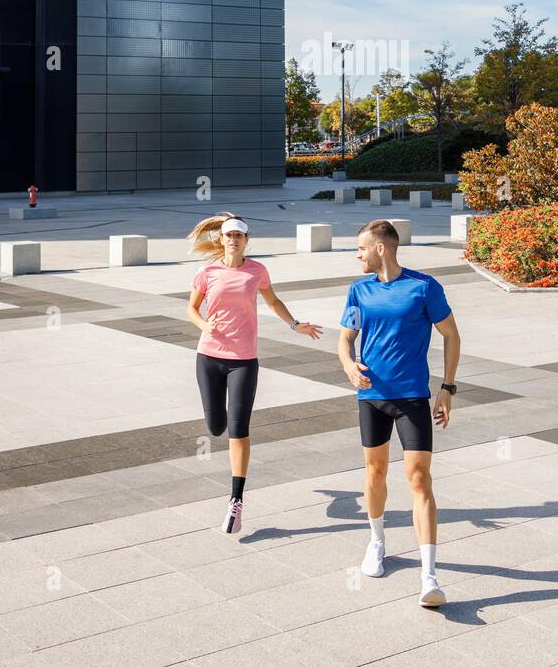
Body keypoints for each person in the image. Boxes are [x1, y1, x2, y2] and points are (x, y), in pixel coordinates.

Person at [338, 219, 462, 607]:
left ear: (380, 248)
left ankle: (429, 577)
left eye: (360, 248)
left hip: (412, 397)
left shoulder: (423, 288)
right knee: (374, 471)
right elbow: (346, 338)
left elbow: (451, 335)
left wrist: (447, 388)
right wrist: (347, 364)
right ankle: (377, 541)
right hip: (371, 396)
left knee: (420, 479)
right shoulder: (359, 290)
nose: (356, 255)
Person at [187, 212, 322, 534]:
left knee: (238, 429)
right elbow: (191, 308)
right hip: (208, 357)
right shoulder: (208, 273)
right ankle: (218, 424)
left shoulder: (256, 271)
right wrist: (206, 325)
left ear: (246, 241)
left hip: (244, 360)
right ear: (221, 239)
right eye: (229, 235)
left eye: (239, 236)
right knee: (215, 426)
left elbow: (273, 301)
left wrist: (294, 324)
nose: (234, 240)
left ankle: (236, 500)